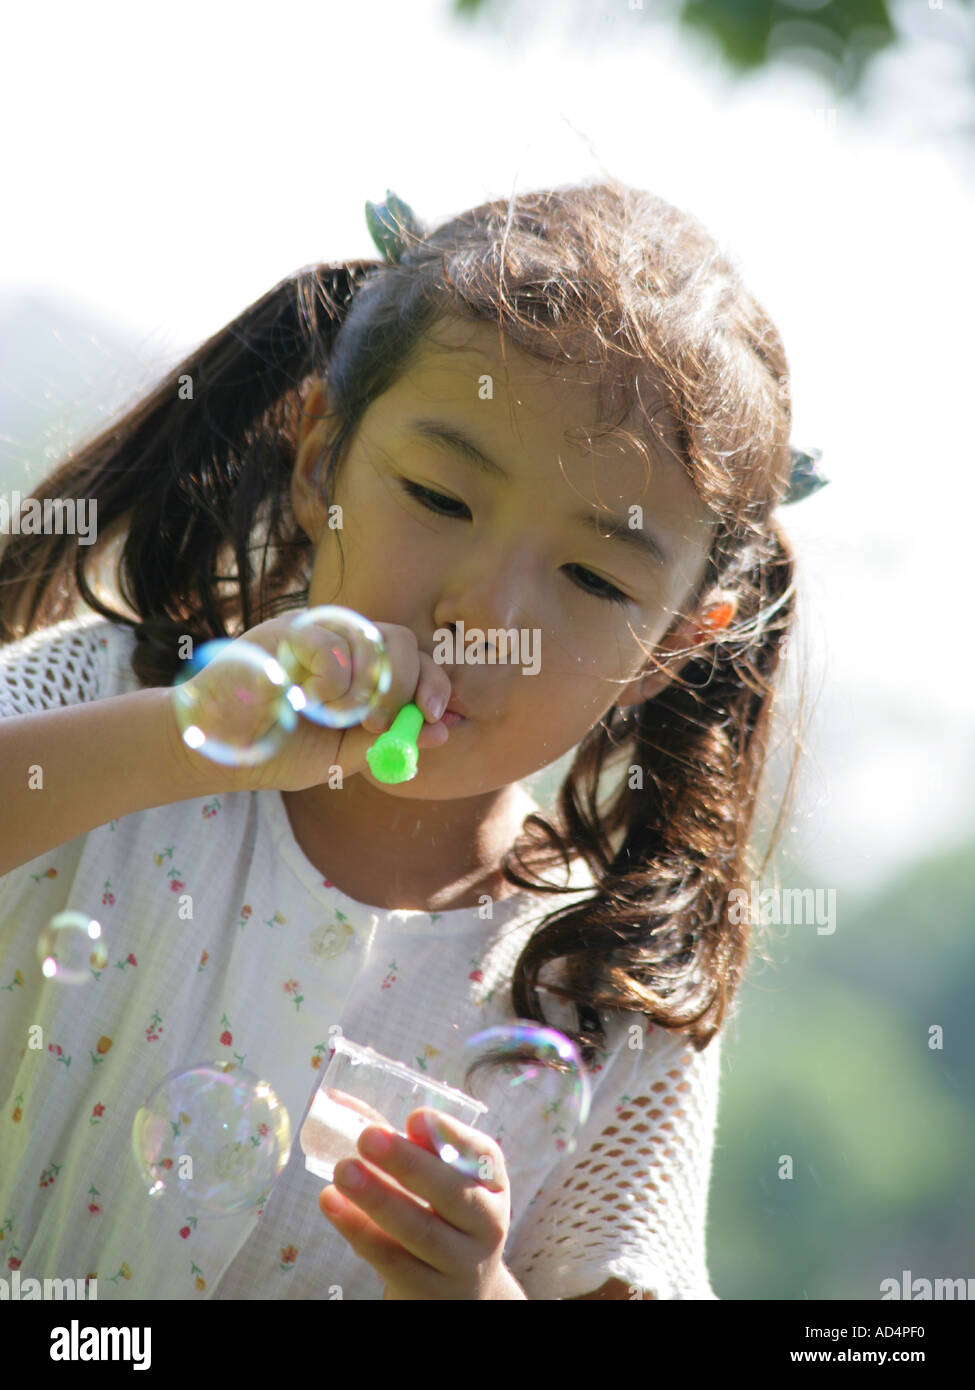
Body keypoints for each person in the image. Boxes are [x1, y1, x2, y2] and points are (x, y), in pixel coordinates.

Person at [0, 179, 824, 1300]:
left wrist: (478, 1291)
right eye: (439, 495)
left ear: (673, 646)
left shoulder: (603, 984)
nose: (488, 613)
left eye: (592, 576)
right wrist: (193, 736)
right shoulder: (110, 698)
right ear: (319, 463)